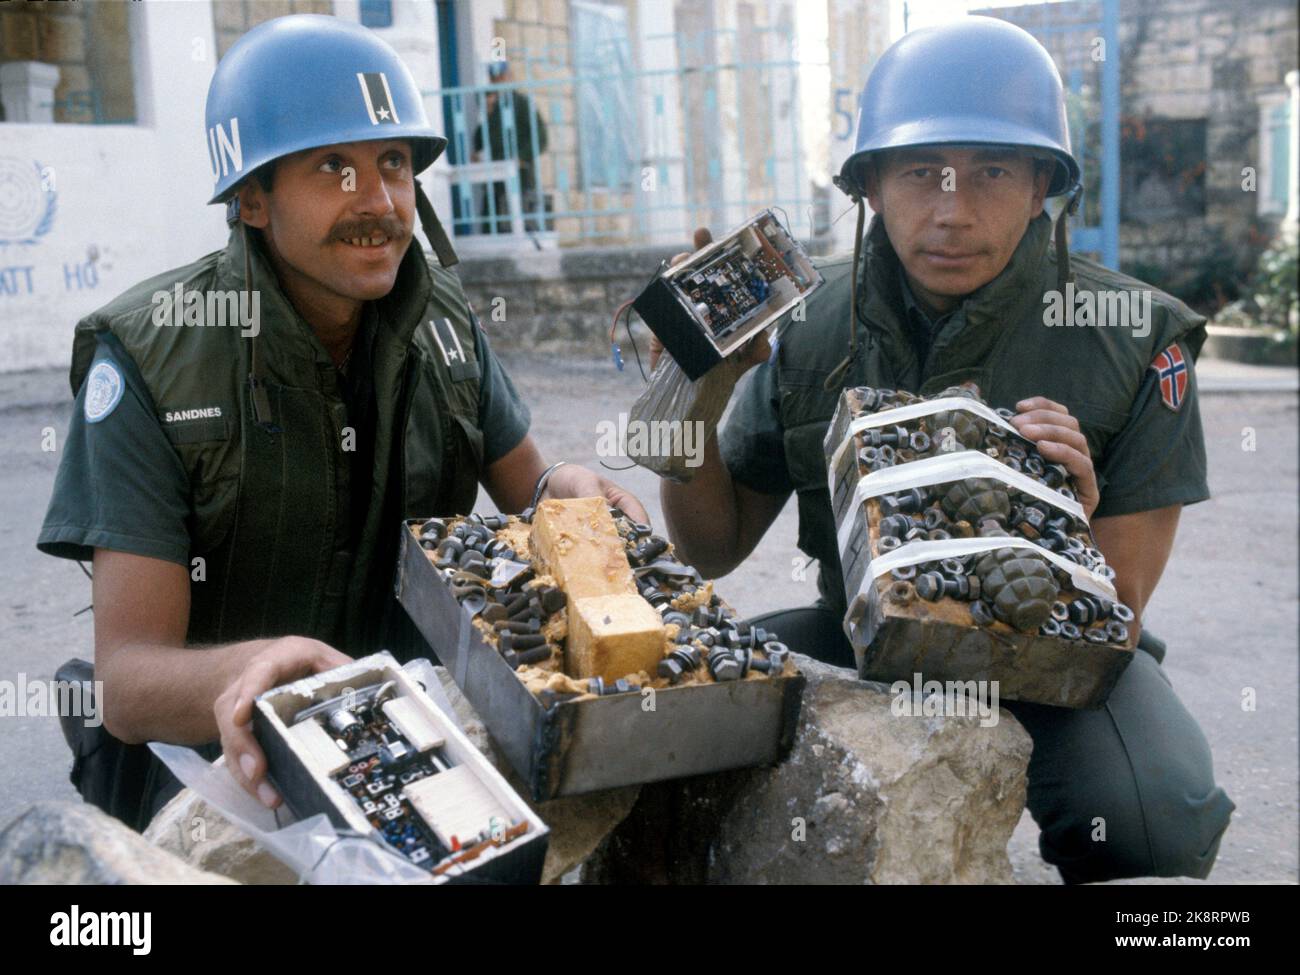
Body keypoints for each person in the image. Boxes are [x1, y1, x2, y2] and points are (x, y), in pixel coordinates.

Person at [652, 16, 1234, 883]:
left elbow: (1121, 605)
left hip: (1055, 657)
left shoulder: (1139, 339)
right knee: (675, 728)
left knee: (1152, 816)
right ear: (872, 187)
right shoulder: (807, 325)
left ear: (1043, 187)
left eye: (991, 171)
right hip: (863, 636)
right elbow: (712, 544)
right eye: (923, 172)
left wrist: (1064, 519)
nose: (952, 210)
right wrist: (691, 400)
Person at [36, 15, 644, 828]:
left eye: (392, 163)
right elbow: (125, 682)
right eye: (334, 167)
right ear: (252, 198)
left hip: (419, 736)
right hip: (226, 763)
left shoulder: (442, 324)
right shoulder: (153, 358)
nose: (379, 202)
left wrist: (563, 487)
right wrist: (254, 669)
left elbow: (529, 485)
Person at [472, 60, 550, 234]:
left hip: (519, 173)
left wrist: (521, 157)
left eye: (502, 78)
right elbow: (480, 140)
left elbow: (541, 137)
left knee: (521, 222)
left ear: (509, 77)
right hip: (494, 174)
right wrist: (488, 112)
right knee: (491, 223)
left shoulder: (521, 103)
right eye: (494, 79)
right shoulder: (492, 104)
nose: (498, 82)